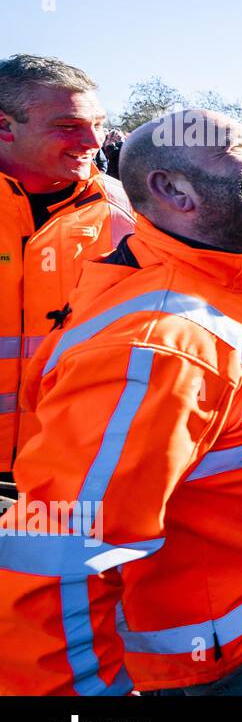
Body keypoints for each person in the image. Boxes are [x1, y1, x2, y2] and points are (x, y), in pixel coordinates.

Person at [0, 108, 242, 696]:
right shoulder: (159, 344)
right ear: (171, 188)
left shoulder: (227, 280)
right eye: (238, 149)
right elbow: (55, 559)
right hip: (230, 665)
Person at [0, 55, 134, 507]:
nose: (94, 141)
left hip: (80, 468)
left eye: (98, 123)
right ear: (4, 126)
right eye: (68, 126)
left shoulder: (132, 213)